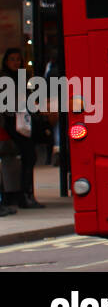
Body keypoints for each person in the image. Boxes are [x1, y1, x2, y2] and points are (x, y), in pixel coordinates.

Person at [1, 48, 43, 208]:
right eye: (12, 59)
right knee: (28, 155)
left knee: (28, 156)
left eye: (18, 59)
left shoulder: (21, 77)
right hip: (12, 122)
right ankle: (23, 195)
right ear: (6, 61)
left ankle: (24, 194)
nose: (16, 62)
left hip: (22, 121)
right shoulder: (5, 78)